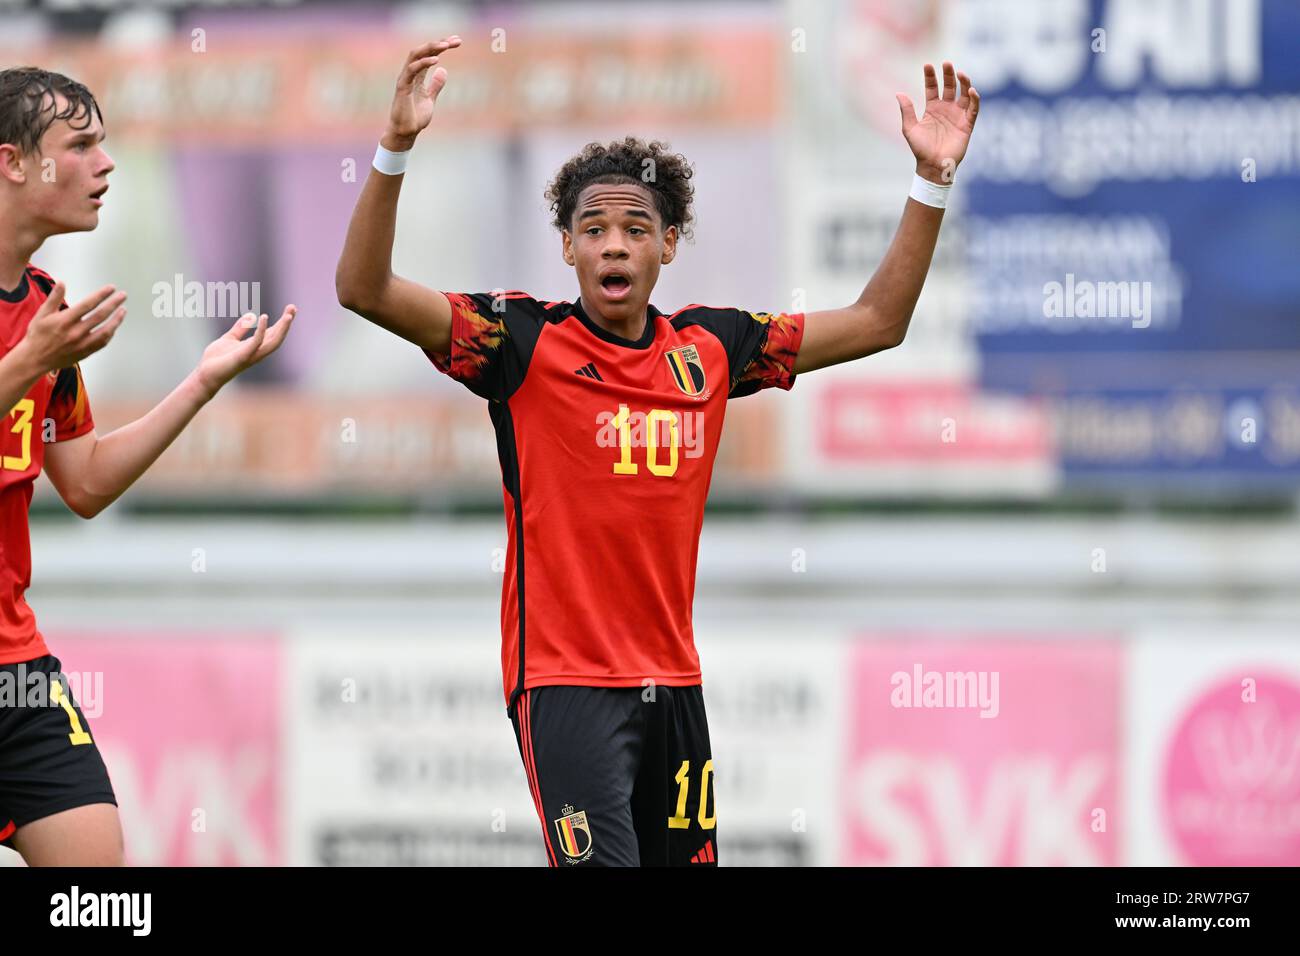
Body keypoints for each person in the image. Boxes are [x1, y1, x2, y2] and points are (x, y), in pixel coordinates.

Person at [336, 38, 979, 866]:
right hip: (564, 689)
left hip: (674, 689)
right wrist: (395, 147)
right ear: (567, 247)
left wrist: (931, 180)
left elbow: (877, 323)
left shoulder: (711, 348)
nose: (613, 245)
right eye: (593, 228)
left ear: (668, 246)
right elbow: (363, 289)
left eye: (635, 229)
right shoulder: (518, 341)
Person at [0, 66, 296, 866]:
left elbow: (86, 482)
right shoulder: (41, 340)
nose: (107, 164)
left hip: (15, 671)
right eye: (82, 144)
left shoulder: (46, 308)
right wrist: (27, 362)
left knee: (101, 891)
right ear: (12, 162)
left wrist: (200, 384)